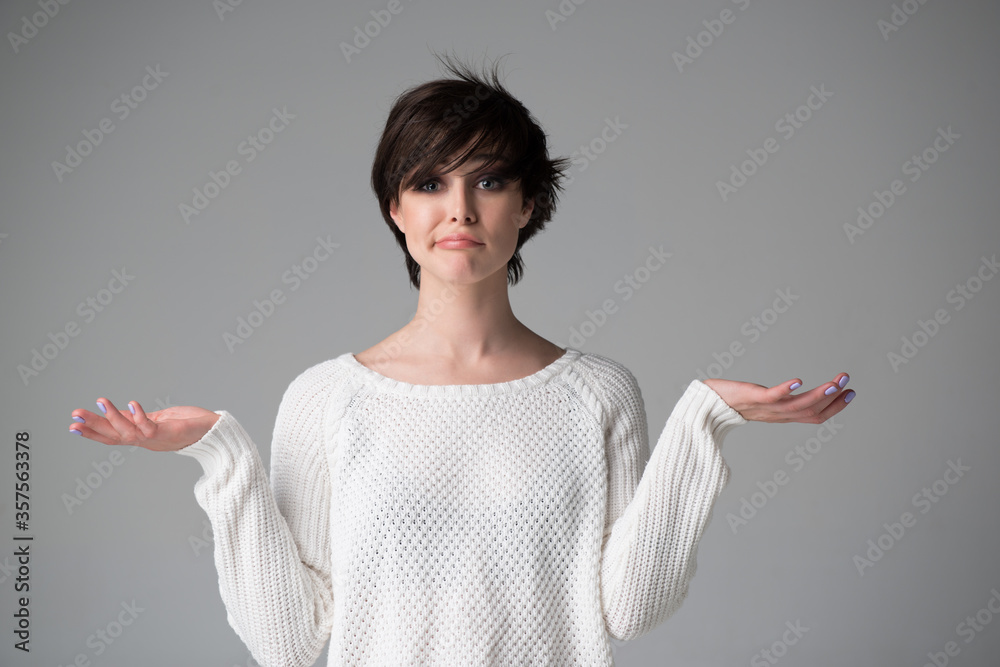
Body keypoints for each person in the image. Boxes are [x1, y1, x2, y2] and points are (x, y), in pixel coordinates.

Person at [68, 53, 855, 666]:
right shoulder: (324, 399)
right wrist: (221, 452)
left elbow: (630, 609)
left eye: (489, 179)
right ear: (395, 207)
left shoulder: (599, 395)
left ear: (529, 202)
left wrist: (703, 423)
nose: (459, 209)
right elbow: (287, 640)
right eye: (430, 181)